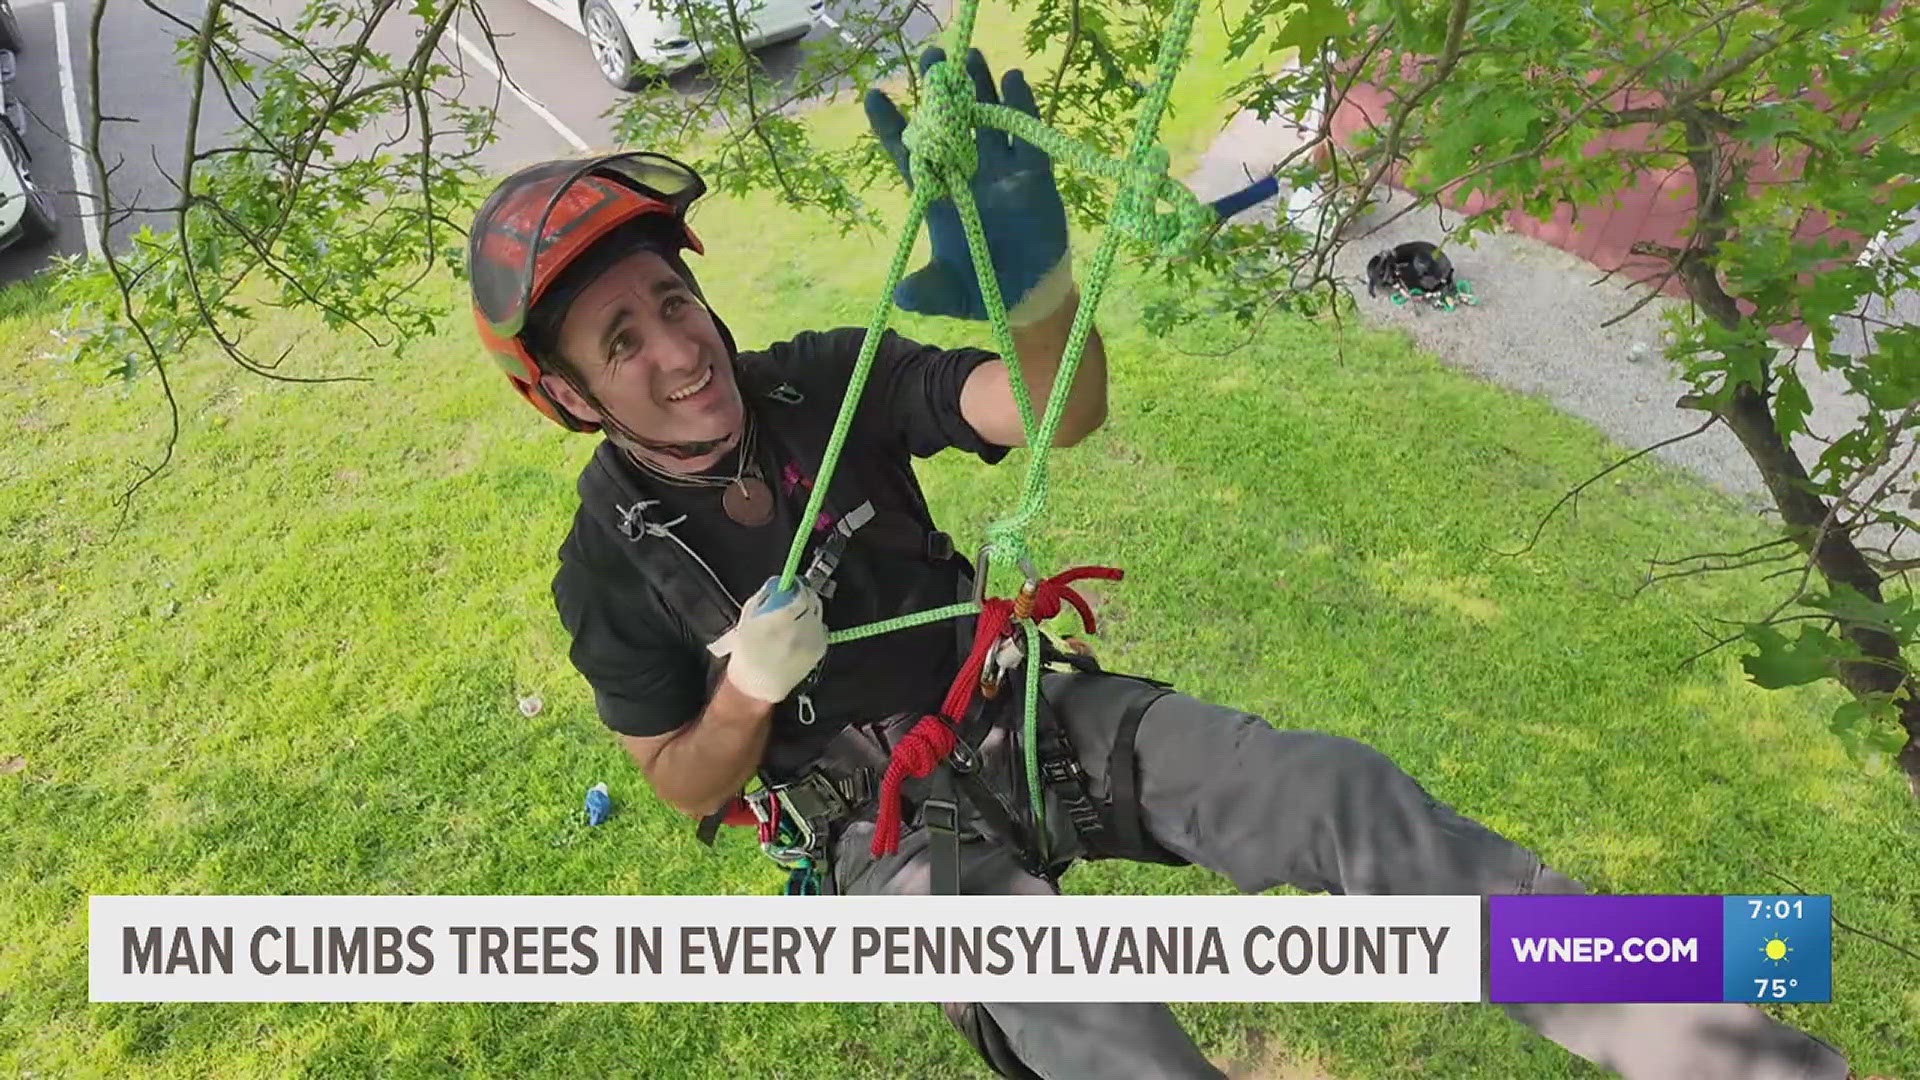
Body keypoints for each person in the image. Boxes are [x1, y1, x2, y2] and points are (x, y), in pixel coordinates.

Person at [465, 46, 1852, 1080]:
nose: (678, 349)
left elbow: (1051, 408)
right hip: (878, 835)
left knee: (1333, 792)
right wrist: (748, 694)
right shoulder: (607, 564)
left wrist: (1038, 294)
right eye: (622, 344)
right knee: (1093, 1017)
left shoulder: (813, 383)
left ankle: (1723, 1049)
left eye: (673, 301)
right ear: (570, 396)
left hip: (1020, 714)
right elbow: (682, 782)